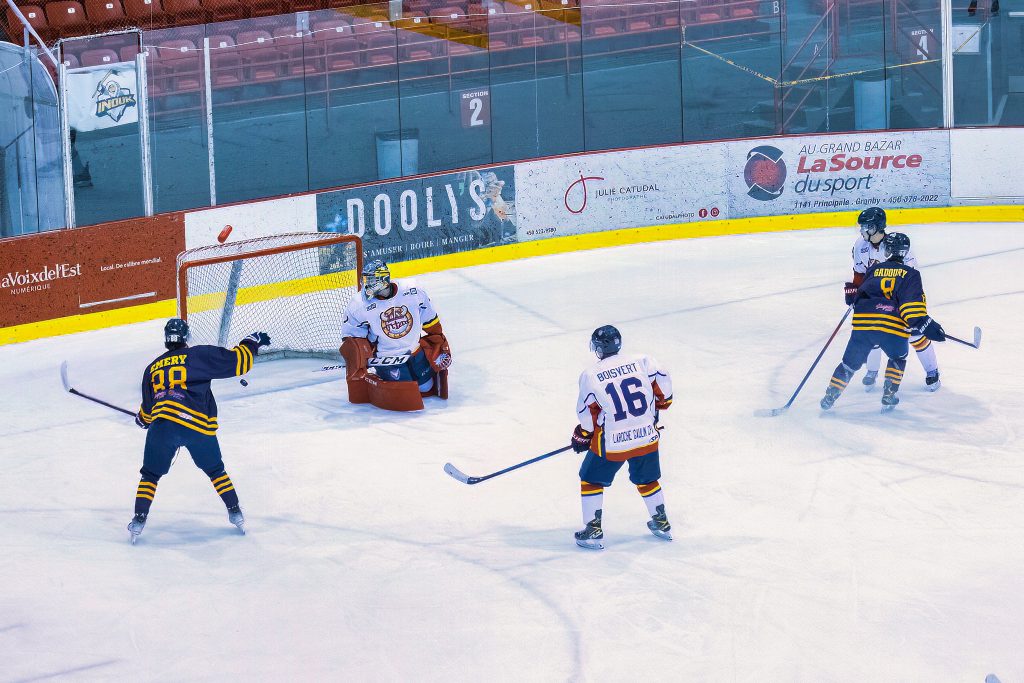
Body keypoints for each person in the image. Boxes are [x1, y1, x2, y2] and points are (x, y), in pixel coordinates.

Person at [129, 318, 270, 543]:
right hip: (196, 424)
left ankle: (138, 519)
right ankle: (235, 511)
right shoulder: (197, 355)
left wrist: (142, 419)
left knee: (151, 475)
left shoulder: (151, 368)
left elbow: (148, 411)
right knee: (215, 470)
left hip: (163, 427)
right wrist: (252, 341)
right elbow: (240, 362)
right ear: (186, 338)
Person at [571, 325, 673, 550]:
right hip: (646, 436)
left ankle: (593, 529)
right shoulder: (643, 361)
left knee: (591, 478)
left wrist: (584, 434)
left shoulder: (590, 375)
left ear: (598, 348)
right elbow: (664, 389)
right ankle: (661, 522)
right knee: (647, 479)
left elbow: (586, 413)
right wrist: (661, 405)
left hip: (613, 443)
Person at [823, 232, 946, 413]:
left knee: (848, 363)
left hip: (864, 325)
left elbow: (860, 296)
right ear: (905, 252)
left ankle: (830, 395)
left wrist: (851, 297)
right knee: (897, 357)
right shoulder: (911, 274)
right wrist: (926, 324)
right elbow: (910, 307)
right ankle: (888, 394)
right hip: (891, 326)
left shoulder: (873, 270)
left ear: (886, 251)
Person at [847, 207, 941, 390]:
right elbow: (859, 274)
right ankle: (872, 371)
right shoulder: (860, 245)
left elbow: (907, 282)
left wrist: (902, 311)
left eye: (866, 226)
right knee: (871, 329)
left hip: (905, 296)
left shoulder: (897, 248)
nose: (862, 229)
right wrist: (855, 293)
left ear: (876, 227)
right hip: (876, 296)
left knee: (915, 334)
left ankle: (932, 371)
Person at [339, 260, 452, 411]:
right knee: (406, 397)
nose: (367, 284)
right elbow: (352, 336)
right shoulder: (359, 304)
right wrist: (360, 357)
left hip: (414, 350)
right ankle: (377, 374)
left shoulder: (412, 291)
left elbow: (429, 319)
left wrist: (438, 339)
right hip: (387, 358)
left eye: (371, 280)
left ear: (383, 279)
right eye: (366, 279)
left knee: (426, 388)